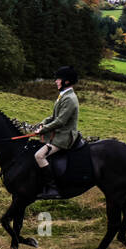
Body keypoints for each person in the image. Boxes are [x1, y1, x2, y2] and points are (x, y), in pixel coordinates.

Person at [32, 66, 82, 195]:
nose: (56, 81)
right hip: (58, 134)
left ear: (66, 81)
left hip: (64, 137)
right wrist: (43, 123)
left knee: (39, 155)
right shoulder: (63, 96)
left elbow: (60, 121)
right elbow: (54, 117)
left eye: (58, 79)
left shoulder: (70, 99)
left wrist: (43, 130)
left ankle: (53, 188)